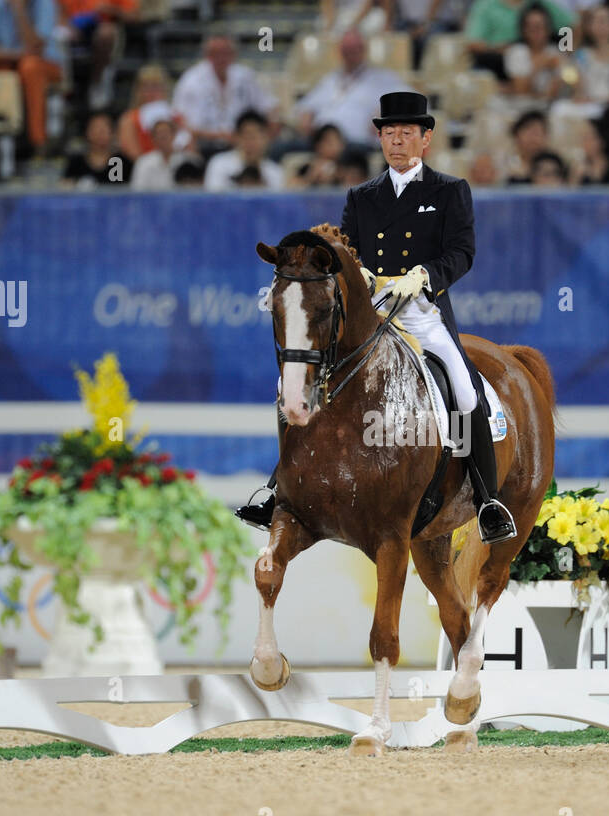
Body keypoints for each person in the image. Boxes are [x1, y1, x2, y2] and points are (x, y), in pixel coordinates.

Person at [236, 91, 518, 544]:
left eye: (407, 133)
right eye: (389, 133)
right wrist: (359, 271)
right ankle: (278, 489)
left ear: (425, 139)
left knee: (465, 391)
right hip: (376, 311)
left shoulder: (449, 191)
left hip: (423, 314)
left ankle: (486, 501)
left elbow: (462, 253)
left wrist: (425, 275)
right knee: (294, 383)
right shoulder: (362, 196)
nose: (397, 141)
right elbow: (351, 255)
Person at [0, 0, 62, 149]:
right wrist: (16, 56)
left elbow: (35, 47)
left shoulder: (46, 4)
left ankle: (38, 141)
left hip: (45, 64)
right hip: (9, 61)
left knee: (30, 67)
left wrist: (19, 11)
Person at [172, 36, 280, 155]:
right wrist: (219, 136)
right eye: (215, 53)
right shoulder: (191, 80)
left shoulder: (246, 76)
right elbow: (180, 119)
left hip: (242, 142)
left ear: (233, 54)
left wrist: (266, 133)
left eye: (225, 53)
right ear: (207, 55)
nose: (221, 58)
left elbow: (269, 106)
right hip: (203, 142)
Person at [203, 109, 283, 190]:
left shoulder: (275, 172)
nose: (251, 142)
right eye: (247, 136)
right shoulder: (219, 164)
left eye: (256, 137)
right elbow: (213, 199)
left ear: (266, 139)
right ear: (237, 137)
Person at [62, 111, 131, 186]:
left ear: (112, 133)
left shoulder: (122, 162)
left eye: (104, 129)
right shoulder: (76, 163)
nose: (99, 133)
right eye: (95, 128)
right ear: (87, 132)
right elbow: (64, 186)